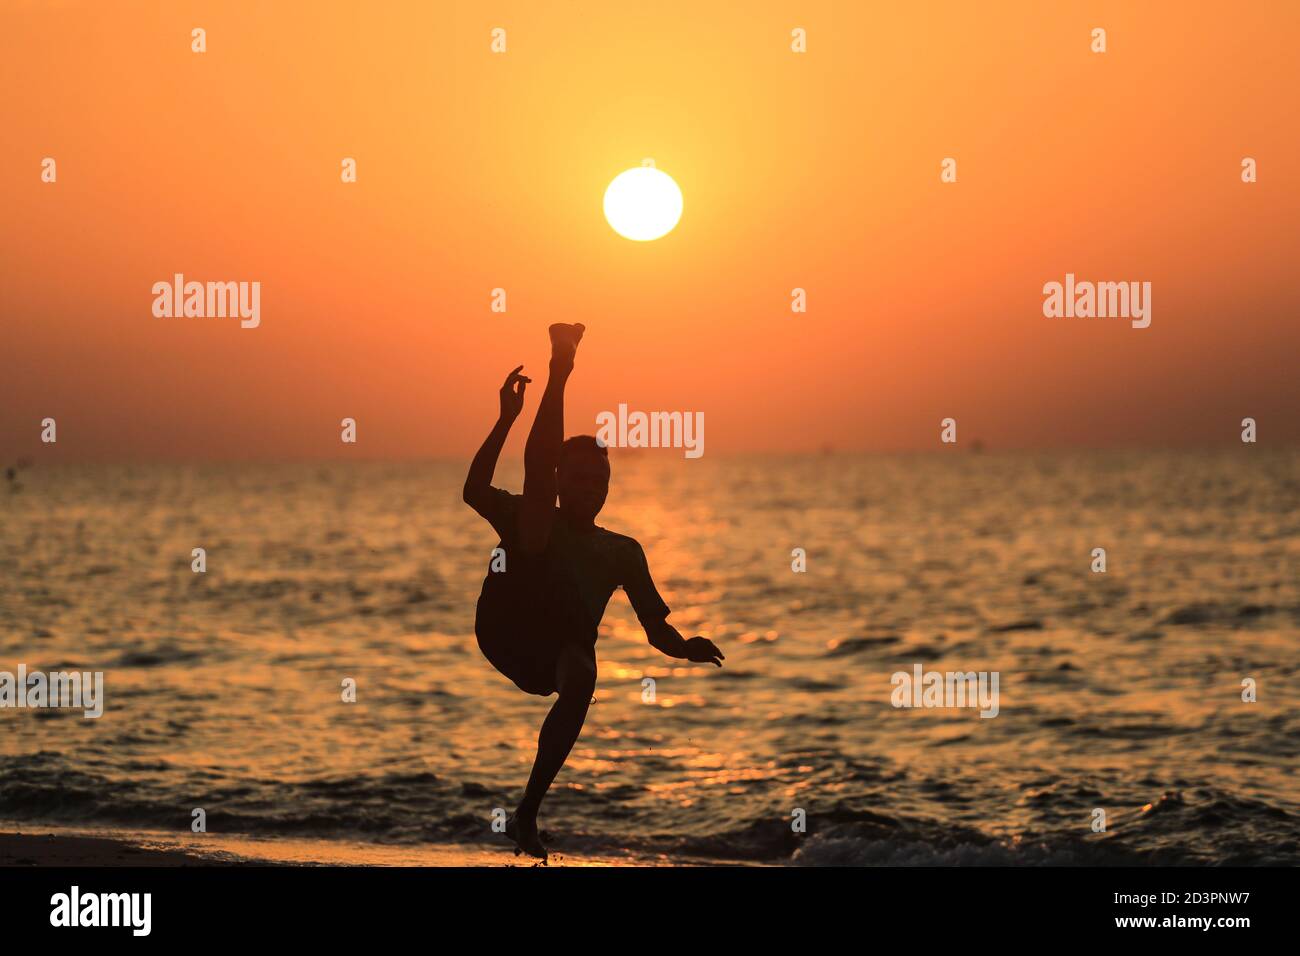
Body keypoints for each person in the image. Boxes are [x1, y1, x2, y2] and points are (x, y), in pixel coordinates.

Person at [463, 323, 724, 859]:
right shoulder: (532, 512)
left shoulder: (622, 551)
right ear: (563, 480)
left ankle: (525, 816)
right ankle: (562, 367)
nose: (589, 490)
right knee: (536, 519)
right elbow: (473, 490)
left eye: (598, 481)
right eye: (578, 478)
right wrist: (505, 419)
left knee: (583, 674)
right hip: (507, 630)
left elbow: (657, 633)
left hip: (558, 653)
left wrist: (687, 648)